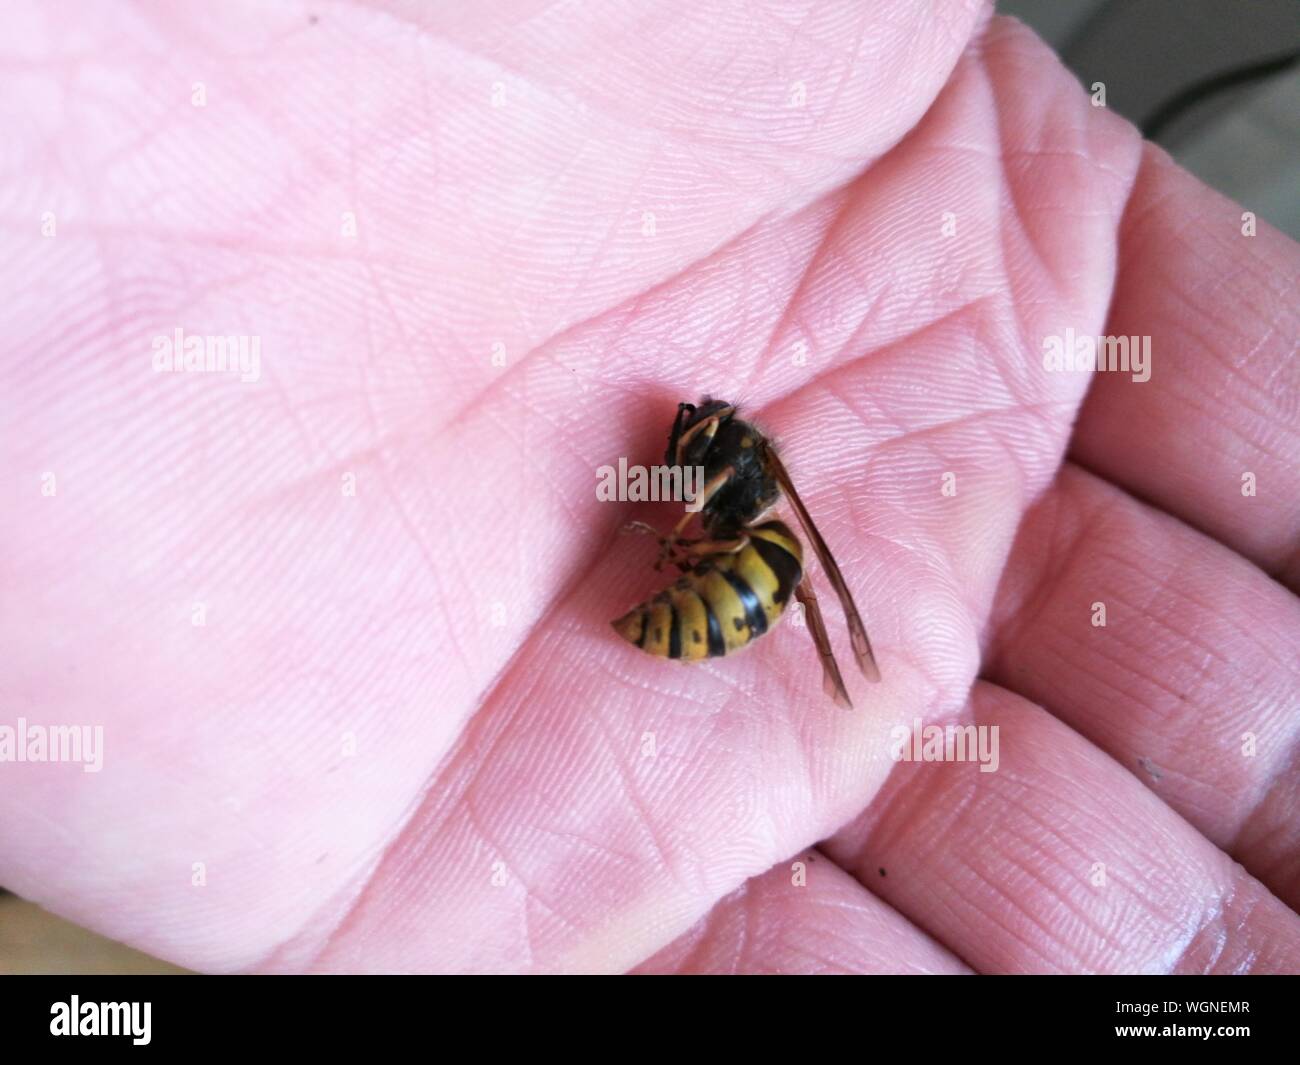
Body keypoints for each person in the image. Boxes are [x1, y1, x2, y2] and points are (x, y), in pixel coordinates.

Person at [2, 2, 1296, 974]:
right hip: (723, 591)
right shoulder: (724, 493)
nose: (684, 436)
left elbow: (716, 521)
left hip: (719, 592)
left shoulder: (715, 498)